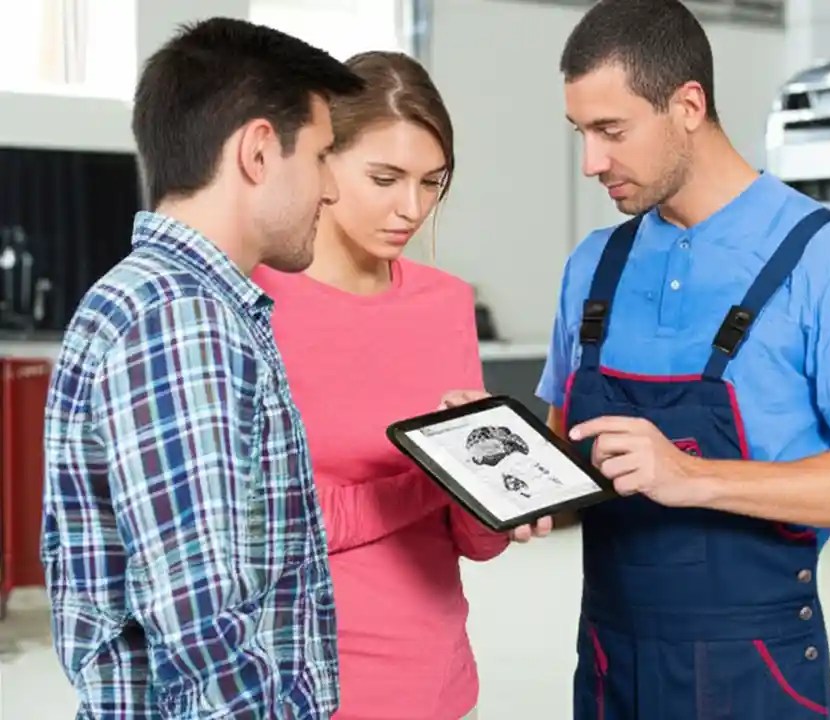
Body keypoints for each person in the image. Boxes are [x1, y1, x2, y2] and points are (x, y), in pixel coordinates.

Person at [474, 1, 830, 717]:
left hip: (755, 673)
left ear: (688, 104)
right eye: (581, 133)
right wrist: (501, 478)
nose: (593, 162)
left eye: (611, 130)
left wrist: (691, 476)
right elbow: (569, 462)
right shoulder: (594, 267)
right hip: (607, 666)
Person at [40, 17, 363, 719]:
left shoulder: (166, 300)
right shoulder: (179, 317)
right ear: (256, 151)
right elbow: (198, 618)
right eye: (320, 156)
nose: (331, 192)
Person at [251, 50, 508, 720]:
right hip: (300, 687)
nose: (411, 208)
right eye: (386, 178)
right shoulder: (252, 301)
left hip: (440, 686)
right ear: (323, 161)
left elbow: (476, 543)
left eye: (432, 182)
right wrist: (432, 479)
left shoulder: (446, 302)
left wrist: (501, 490)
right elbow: (266, 525)